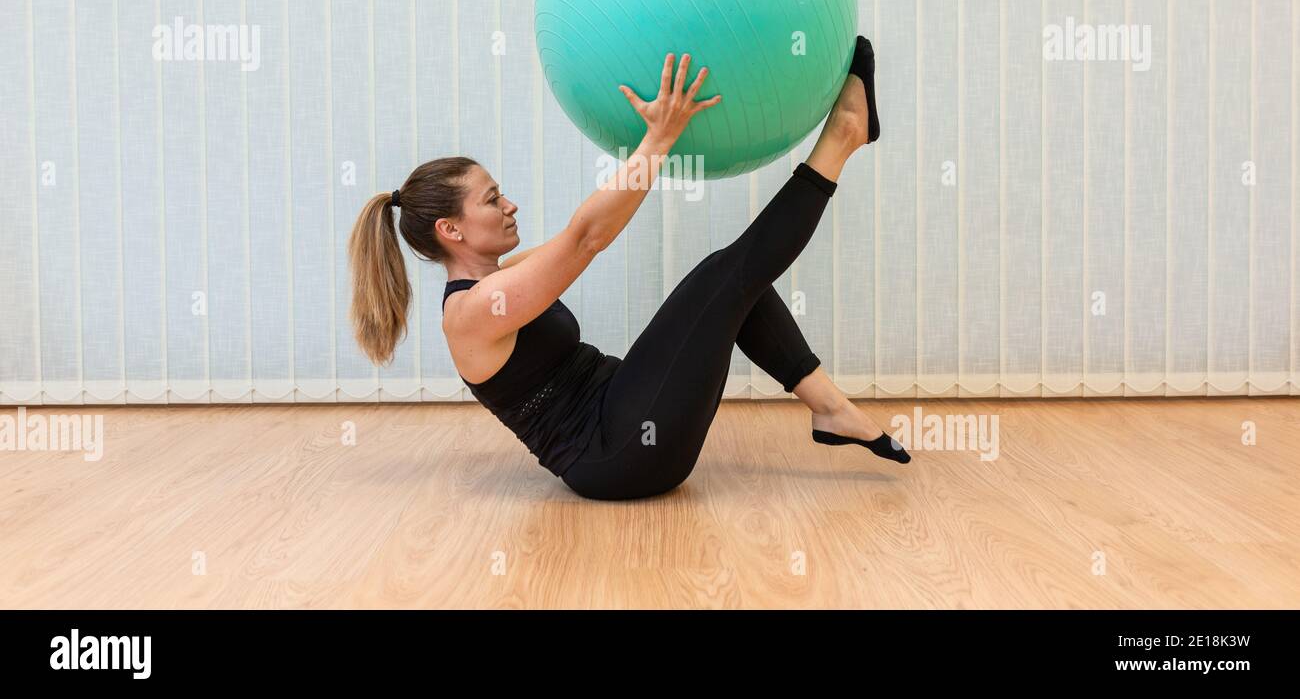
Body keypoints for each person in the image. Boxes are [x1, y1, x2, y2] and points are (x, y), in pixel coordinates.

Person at [347, 36, 909, 501]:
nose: (509, 205)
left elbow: (588, 235)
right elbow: (587, 236)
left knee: (730, 289)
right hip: (619, 457)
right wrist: (660, 138)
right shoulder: (471, 313)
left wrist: (654, 147)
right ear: (452, 230)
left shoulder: (499, 282)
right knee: (722, 278)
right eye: (493, 200)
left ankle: (831, 412)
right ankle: (843, 137)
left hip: (627, 415)